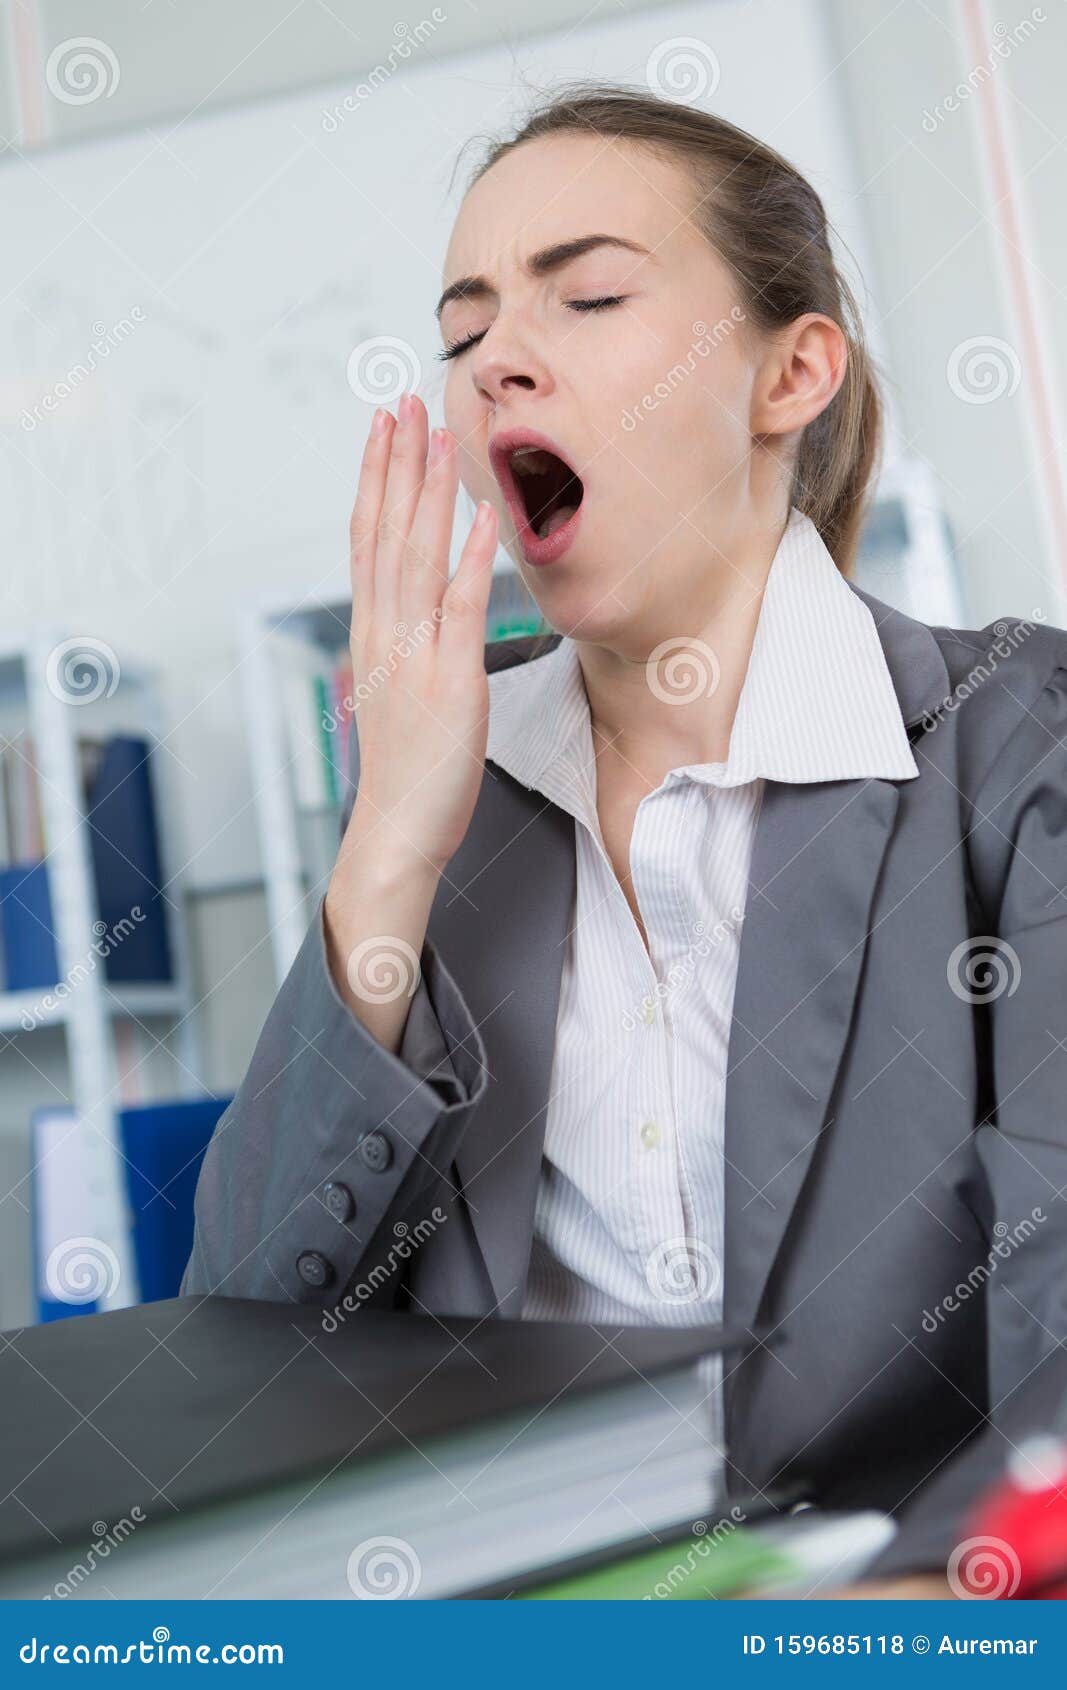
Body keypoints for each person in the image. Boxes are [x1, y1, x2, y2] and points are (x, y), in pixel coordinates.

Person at [182, 86, 1067, 1597]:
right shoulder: (433, 793)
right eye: (463, 336)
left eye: (586, 296)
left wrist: (909, 1606)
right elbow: (241, 1341)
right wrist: (387, 849)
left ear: (792, 373)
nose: (496, 362)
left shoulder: (1016, 737)